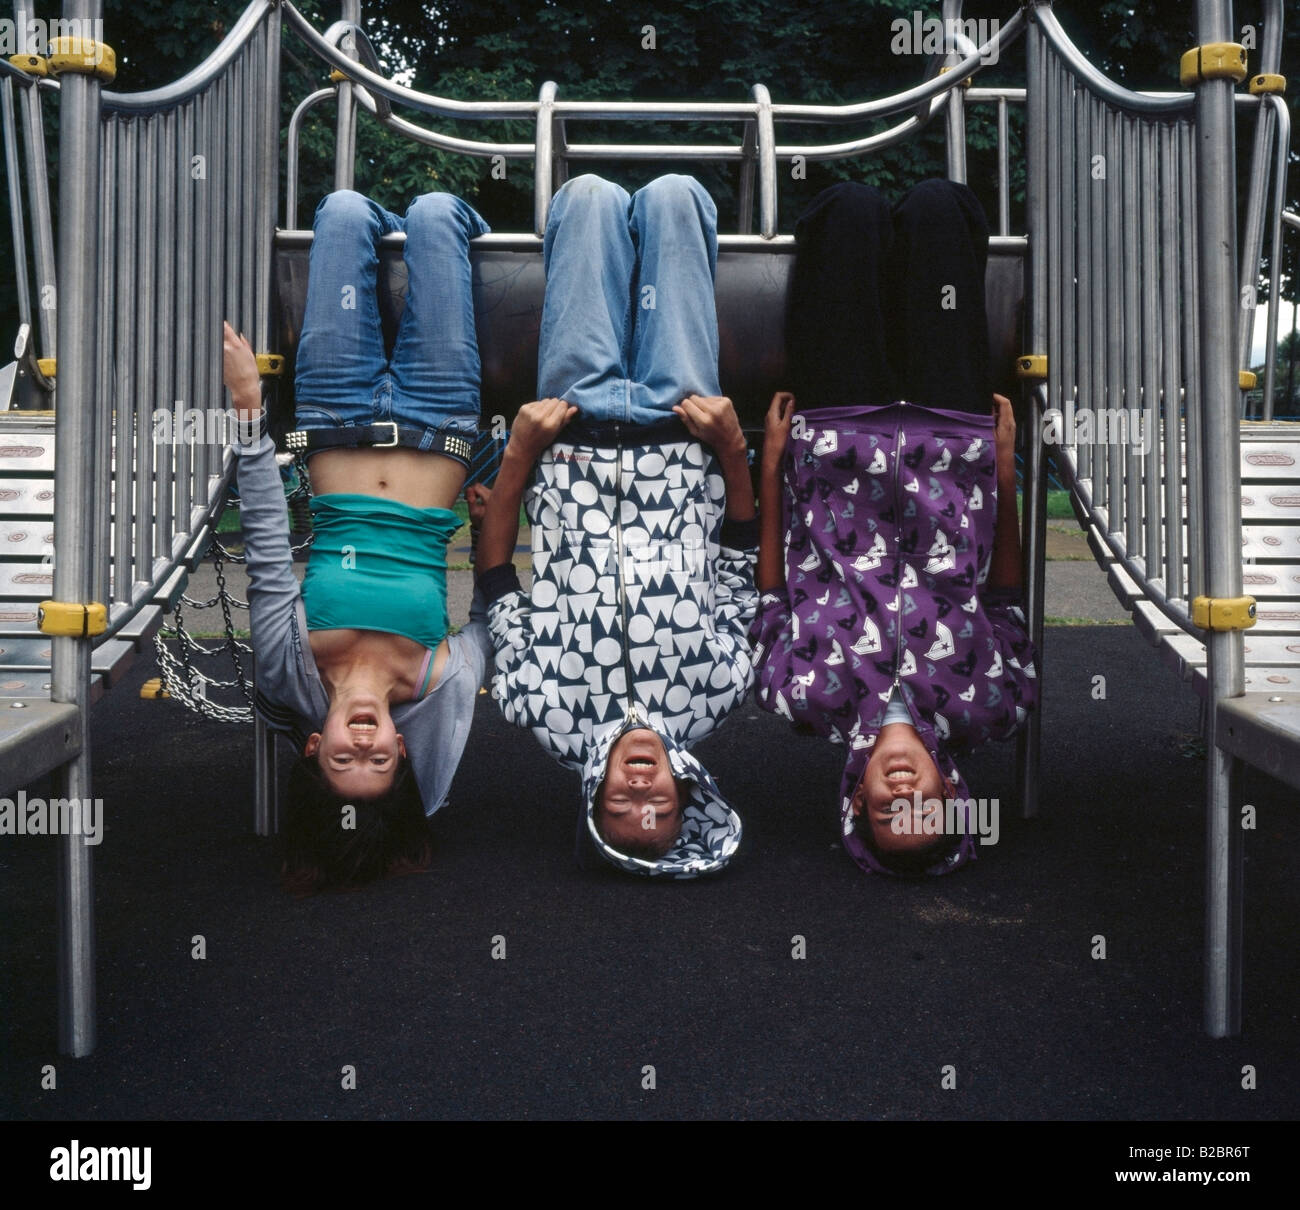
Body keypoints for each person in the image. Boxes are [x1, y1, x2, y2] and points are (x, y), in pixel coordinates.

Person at [750, 178, 1039, 876]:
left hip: (835, 444)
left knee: (849, 211)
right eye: (926, 810)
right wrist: (1005, 470)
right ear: (954, 793)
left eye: (888, 811)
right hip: (952, 441)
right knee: (939, 206)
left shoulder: (800, 697)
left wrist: (771, 467)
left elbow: (768, 596)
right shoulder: (994, 706)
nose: (904, 791)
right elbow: (1004, 595)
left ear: (855, 801)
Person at [471, 174, 757, 877]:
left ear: (594, 798)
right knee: (675, 198)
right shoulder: (718, 692)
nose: (639, 792)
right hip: (682, 428)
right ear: (689, 791)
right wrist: (731, 447)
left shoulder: (539, 709)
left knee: (588, 198)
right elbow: (740, 563)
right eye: (659, 808)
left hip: (574, 431)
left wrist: (518, 455)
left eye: (621, 811)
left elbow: (497, 583)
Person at [222, 189, 493, 891]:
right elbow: (502, 610)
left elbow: (270, 551)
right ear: (405, 751)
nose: (365, 745)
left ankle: (387, 236)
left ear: (315, 748)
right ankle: (419, 239)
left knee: (342, 210)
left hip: (331, 408)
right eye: (382, 763)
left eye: (346, 761)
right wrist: (497, 513)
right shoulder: (442, 681)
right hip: (441, 416)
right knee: (438, 212)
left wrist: (251, 419)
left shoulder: (289, 669)